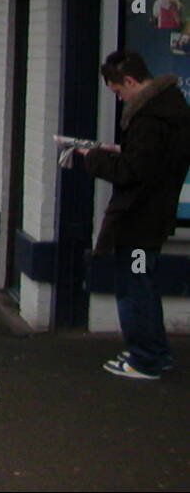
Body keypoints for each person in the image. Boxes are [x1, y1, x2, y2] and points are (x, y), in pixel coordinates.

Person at [82, 49, 190, 379]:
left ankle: (146, 358)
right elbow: (152, 161)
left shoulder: (149, 119)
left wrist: (93, 158)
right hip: (154, 215)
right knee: (142, 284)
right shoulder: (172, 109)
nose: (119, 97)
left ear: (129, 81)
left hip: (139, 219)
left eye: (118, 90)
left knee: (134, 287)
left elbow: (134, 170)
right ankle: (154, 352)